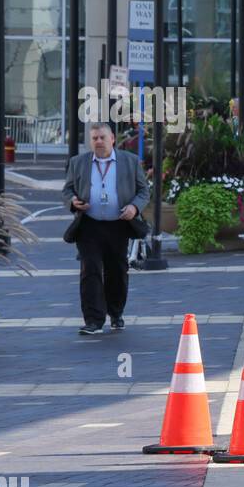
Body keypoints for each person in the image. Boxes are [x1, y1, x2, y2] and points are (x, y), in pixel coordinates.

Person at [62, 122, 151, 335]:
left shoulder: (129, 162)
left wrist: (134, 207)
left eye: (102, 137)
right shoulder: (78, 162)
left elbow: (144, 191)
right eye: (94, 138)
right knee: (90, 270)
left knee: (117, 271)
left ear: (112, 139)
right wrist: (73, 201)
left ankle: (116, 312)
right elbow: (67, 190)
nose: (99, 142)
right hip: (89, 225)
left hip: (118, 224)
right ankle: (93, 320)